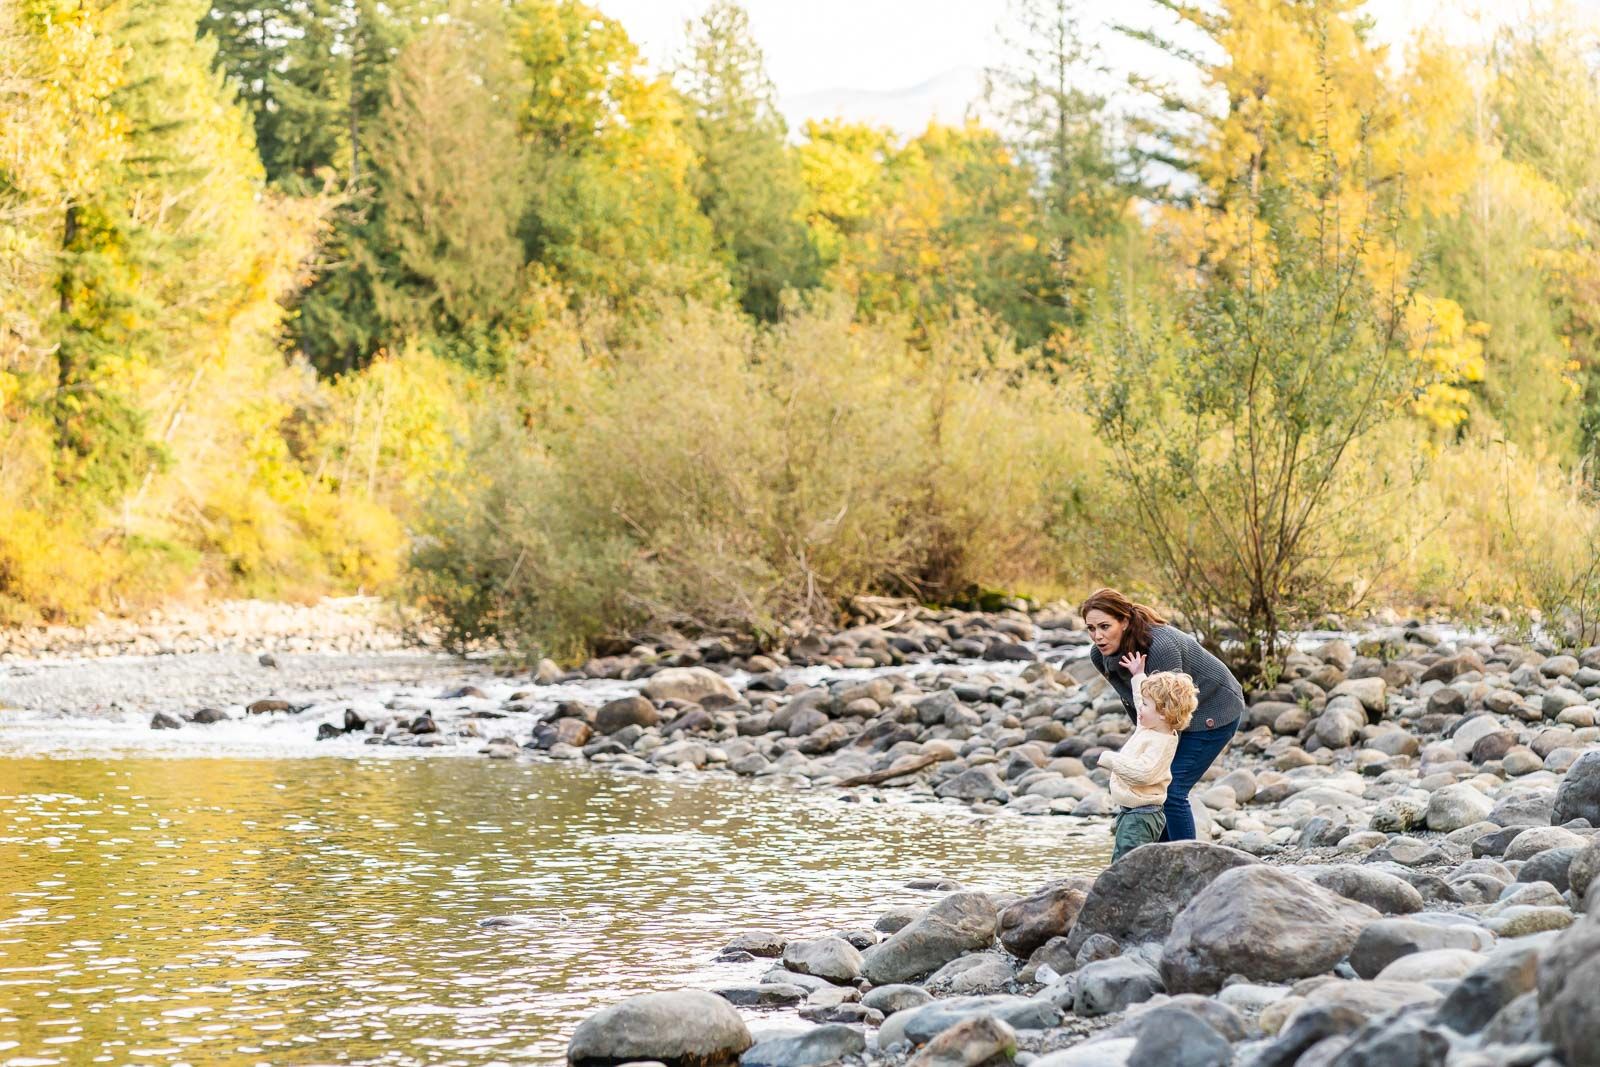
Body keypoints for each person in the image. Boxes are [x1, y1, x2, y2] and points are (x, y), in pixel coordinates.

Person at [1082, 587, 1246, 841]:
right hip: (1167, 714)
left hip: (1215, 708)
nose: (1098, 636)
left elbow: (1171, 709)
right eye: (1091, 629)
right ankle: (1158, 855)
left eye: (1105, 626)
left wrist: (1157, 756)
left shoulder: (1160, 646)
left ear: (1124, 621)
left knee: (1171, 789)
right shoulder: (1099, 656)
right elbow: (1136, 704)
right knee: (1152, 789)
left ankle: (1185, 862)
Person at [1096, 663, 1198, 862]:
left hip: (1141, 817)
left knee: (1125, 863)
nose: (1139, 708)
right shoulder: (1151, 726)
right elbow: (1139, 698)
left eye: (1145, 705)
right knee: (1128, 859)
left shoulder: (1161, 741)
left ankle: (1122, 893)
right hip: (1133, 812)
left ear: (1163, 713)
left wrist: (1111, 760)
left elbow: (1144, 773)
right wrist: (1138, 675)